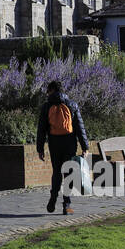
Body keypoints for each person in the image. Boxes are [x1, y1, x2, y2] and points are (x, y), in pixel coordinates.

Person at [36, 80, 89, 215]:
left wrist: (40, 148)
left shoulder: (46, 106)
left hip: (54, 143)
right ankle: (66, 205)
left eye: (48, 91)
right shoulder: (72, 105)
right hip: (69, 143)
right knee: (68, 173)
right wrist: (85, 146)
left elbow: (41, 129)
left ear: (52, 90)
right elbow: (79, 127)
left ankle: (53, 197)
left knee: (57, 171)